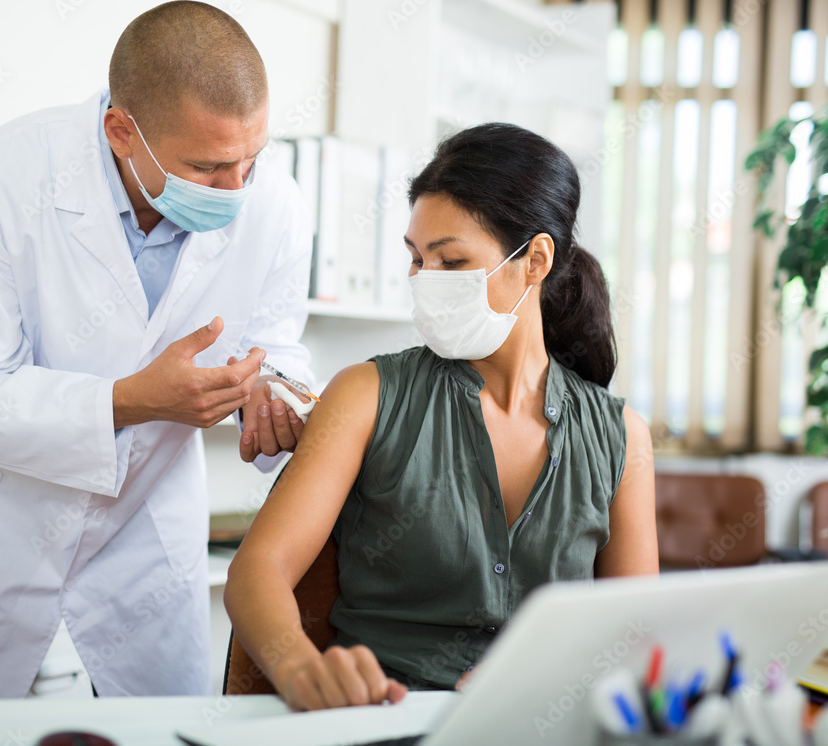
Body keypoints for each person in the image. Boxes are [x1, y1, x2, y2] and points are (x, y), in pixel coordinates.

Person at [0, 2, 313, 698]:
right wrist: (130, 400)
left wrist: (271, 393)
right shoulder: (0, 179)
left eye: (252, 161)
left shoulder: (277, 206)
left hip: (146, 523)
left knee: (162, 718)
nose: (237, 192)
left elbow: (277, 346)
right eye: (207, 168)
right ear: (122, 131)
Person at [224, 123, 660, 711]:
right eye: (416, 258)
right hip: (382, 718)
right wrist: (301, 668)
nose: (424, 282)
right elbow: (259, 570)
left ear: (534, 261)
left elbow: (635, 636)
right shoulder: (366, 395)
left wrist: (546, 677)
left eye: (451, 262)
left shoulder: (619, 438)